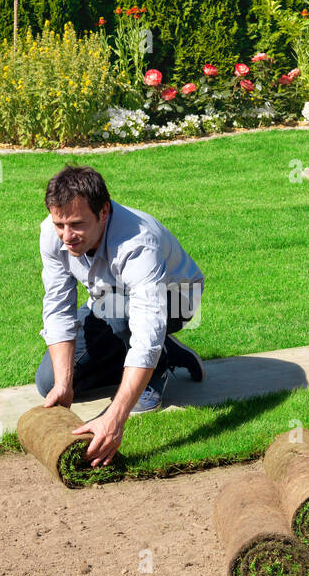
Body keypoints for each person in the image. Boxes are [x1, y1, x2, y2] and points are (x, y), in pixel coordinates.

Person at [35, 165, 205, 467]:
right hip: (107, 300)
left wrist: (115, 417)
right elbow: (58, 307)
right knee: (49, 383)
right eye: (60, 223)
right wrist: (64, 383)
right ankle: (162, 354)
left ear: (104, 211)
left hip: (175, 301)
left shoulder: (138, 244)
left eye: (76, 224)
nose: (66, 236)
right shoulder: (53, 234)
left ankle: (156, 368)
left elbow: (147, 326)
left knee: (123, 311)